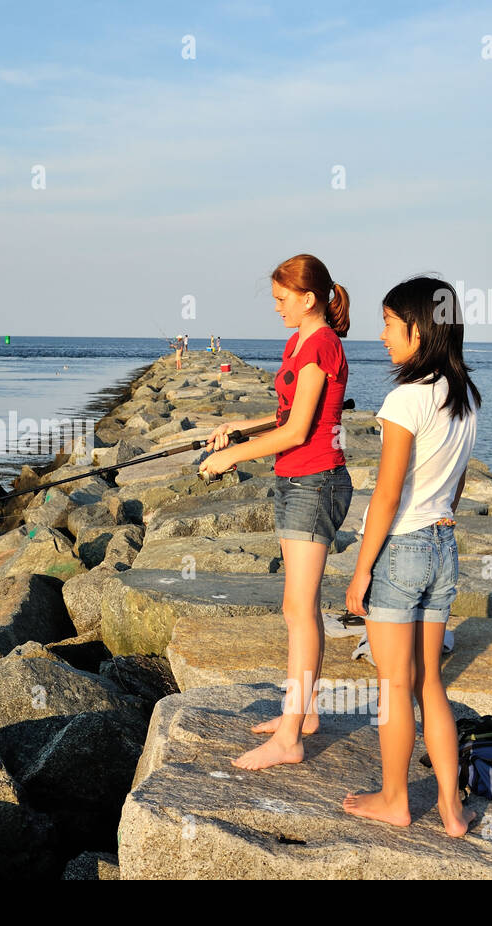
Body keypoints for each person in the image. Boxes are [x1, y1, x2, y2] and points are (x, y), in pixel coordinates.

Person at [199, 253, 352, 770]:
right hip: (294, 479)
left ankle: (290, 738)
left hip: (316, 481)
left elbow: (298, 432)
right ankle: (303, 715)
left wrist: (229, 458)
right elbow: (286, 414)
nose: (277, 308)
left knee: (297, 610)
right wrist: (242, 428)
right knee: (301, 610)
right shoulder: (299, 342)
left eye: (282, 299)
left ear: (309, 299)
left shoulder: (323, 345)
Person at [343, 276, 481, 837]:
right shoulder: (465, 397)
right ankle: (451, 809)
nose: (381, 335)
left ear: (418, 328)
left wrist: (360, 570)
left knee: (394, 684)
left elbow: (387, 492)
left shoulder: (405, 398)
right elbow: (459, 481)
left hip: (402, 549)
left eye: (389, 324)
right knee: (431, 685)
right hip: (445, 544)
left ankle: (396, 799)